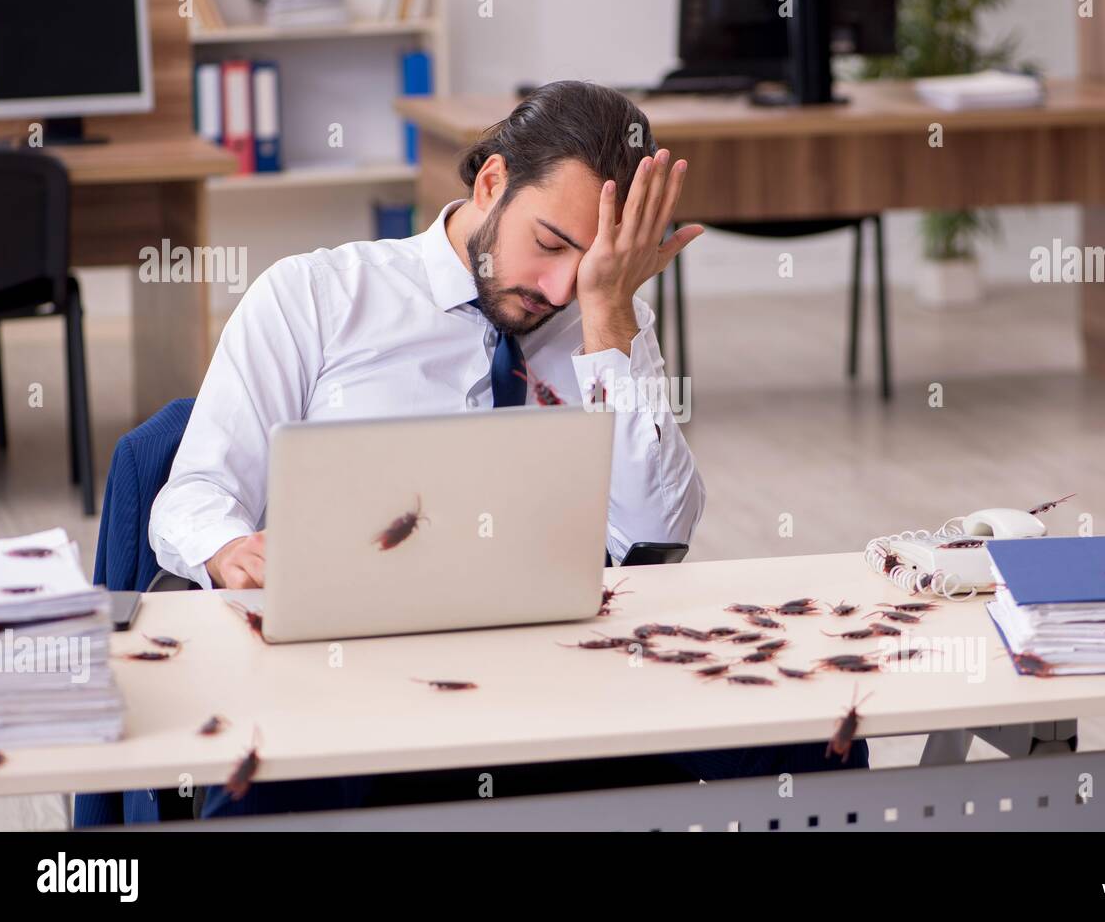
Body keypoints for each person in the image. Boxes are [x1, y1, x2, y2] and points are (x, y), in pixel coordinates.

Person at [149, 80, 706, 590]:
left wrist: (609, 316)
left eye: (589, 264)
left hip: (532, 643)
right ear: (491, 183)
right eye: (549, 244)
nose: (561, 290)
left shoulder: (603, 314)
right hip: (352, 635)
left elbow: (651, 542)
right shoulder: (315, 295)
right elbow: (196, 495)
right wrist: (228, 550)